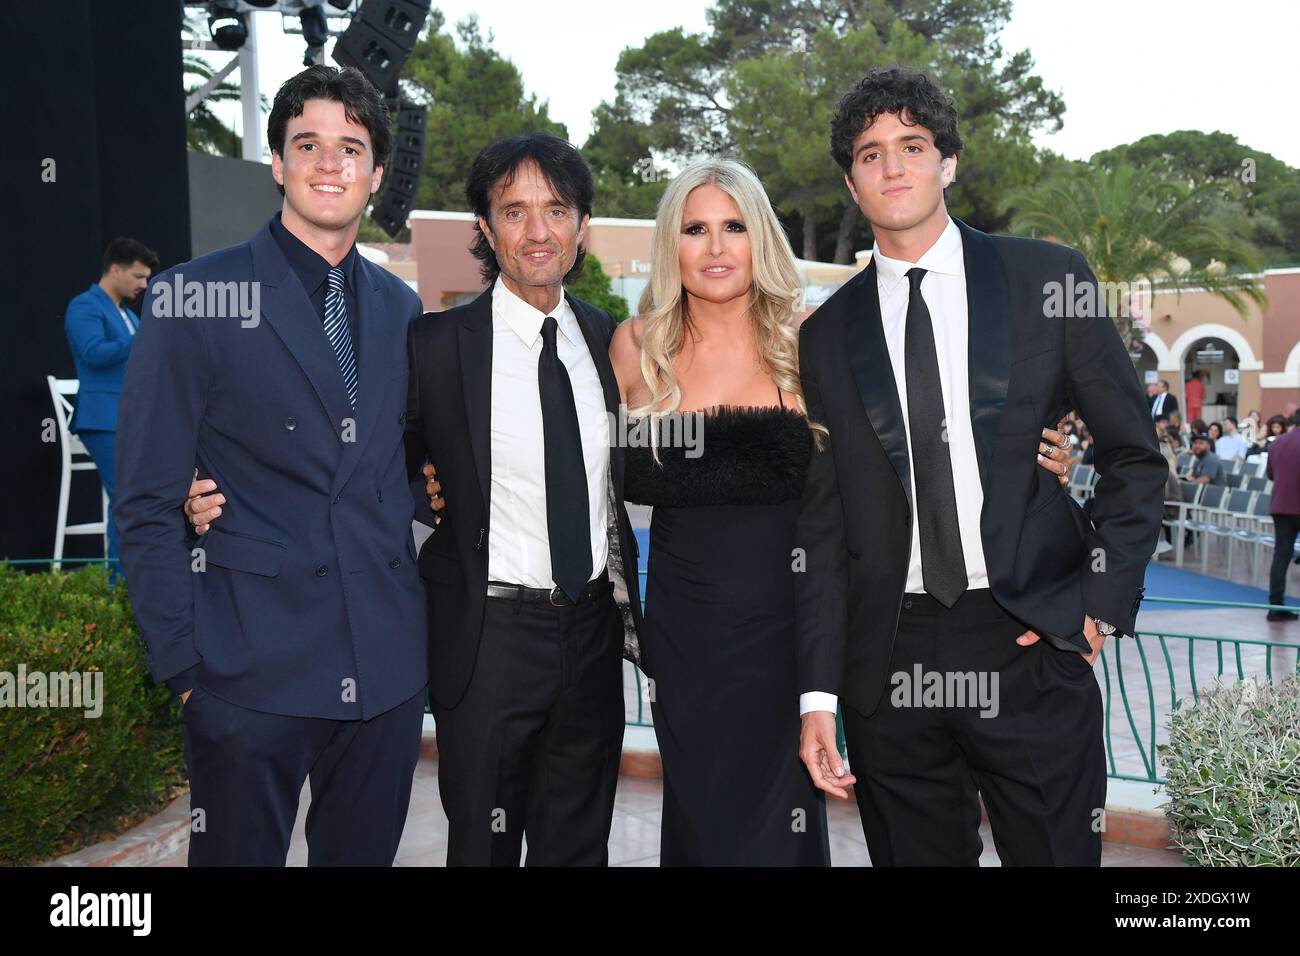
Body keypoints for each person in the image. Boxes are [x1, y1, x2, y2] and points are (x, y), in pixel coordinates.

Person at [608, 159, 1079, 866]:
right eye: (694, 229)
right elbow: (585, 472)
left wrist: (1038, 459)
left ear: (760, 238)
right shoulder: (636, 348)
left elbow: (905, 453)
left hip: (798, 626)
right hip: (688, 636)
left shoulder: (813, 340)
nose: (714, 248)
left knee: (781, 826)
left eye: (734, 227)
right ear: (670, 244)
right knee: (703, 819)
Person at [794, 66, 1166, 866]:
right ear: (851, 183)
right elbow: (822, 530)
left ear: (948, 162)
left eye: (913, 145)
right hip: (890, 660)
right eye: (869, 154)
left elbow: (1136, 455)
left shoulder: (1047, 279)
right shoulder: (825, 336)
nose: (893, 167)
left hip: (1027, 637)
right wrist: (819, 696)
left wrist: (1095, 606)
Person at [115, 66, 428, 866]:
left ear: (377, 175)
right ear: (278, 164)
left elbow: (403, 466)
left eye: (351, 147)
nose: (330, 164)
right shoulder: (194, 297)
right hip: (246, 671)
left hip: (385, 674)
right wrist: (185, 668)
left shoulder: (402, 310)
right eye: (309, 144)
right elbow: (146, 501)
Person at [401, 134, 643, 866]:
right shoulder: (436, 345)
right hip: (488, 639)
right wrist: (431, 493)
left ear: (582, 227)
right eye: (514, 212)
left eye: (556, 210)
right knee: (484, 847)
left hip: (594, 632)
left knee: (579, 849)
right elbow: (383, 463)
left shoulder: (610, 341)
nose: (538, 232)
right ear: (485, 227)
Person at [64, 237, 158, 572]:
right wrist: (145, 337)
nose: (143, 285)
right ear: (115, 270)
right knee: (126, 499)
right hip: (103, 420)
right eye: (137, 276)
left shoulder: (129, 317)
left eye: (146, 278)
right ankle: (120, 583)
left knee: (137, 498)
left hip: (133, 419)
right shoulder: (84, 306)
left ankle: (133, 578)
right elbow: (94, 353)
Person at [1265, 423, 1299, 621]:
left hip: (1280, 505)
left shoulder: (1278, 443)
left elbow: (1270, 474)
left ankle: (1275, 605)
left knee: (1281, 556)